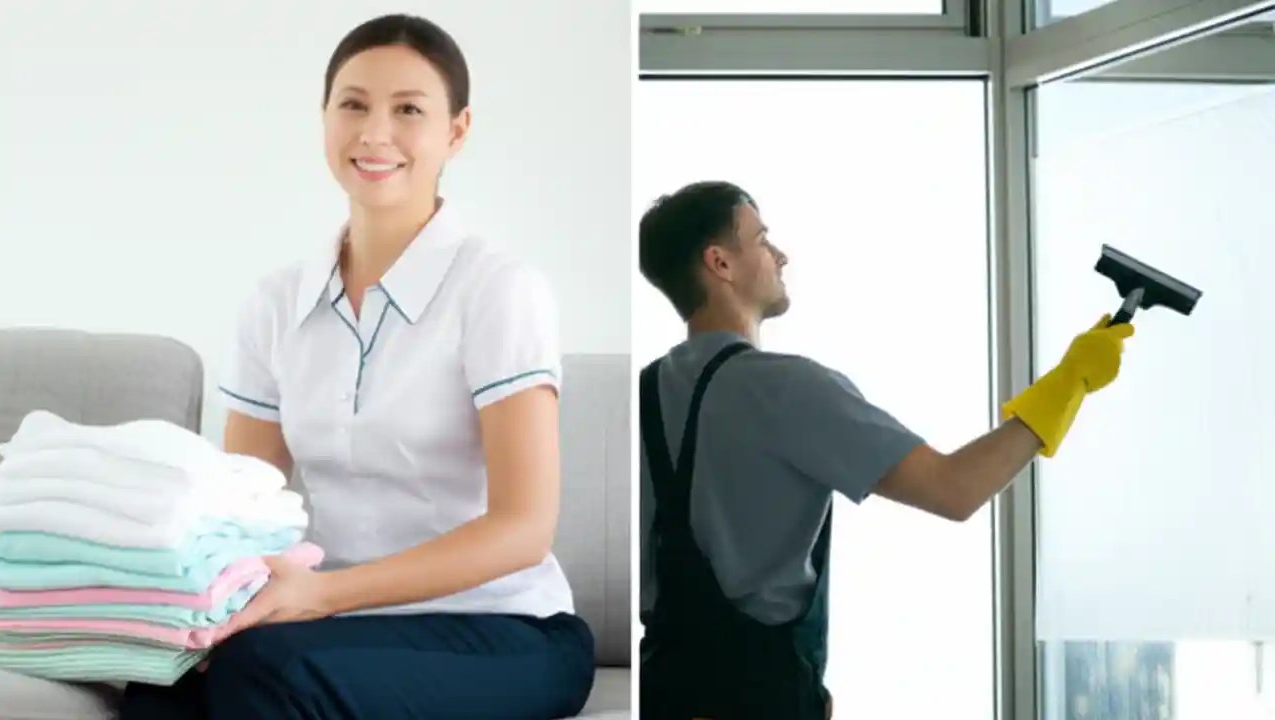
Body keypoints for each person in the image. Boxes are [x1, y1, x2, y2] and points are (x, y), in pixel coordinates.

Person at [121, 14, 595, 720]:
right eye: (353, 105)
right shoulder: (275, 303)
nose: (375, 133)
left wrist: (322, 595)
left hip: (506, 629)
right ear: (324, 118)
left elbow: (523, 528)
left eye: (408, 110)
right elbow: (245, 513)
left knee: (266, 676)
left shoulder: (498, 290)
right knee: (162, 687)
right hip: (339, 629)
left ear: (457, 131)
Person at [636, 181, 1134, 719]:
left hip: (664, 691)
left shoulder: (644, 391)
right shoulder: (785, 388)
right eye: (761, 239)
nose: (780, 255)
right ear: (720, 263)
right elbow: (954, 489)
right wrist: (1070, 381)